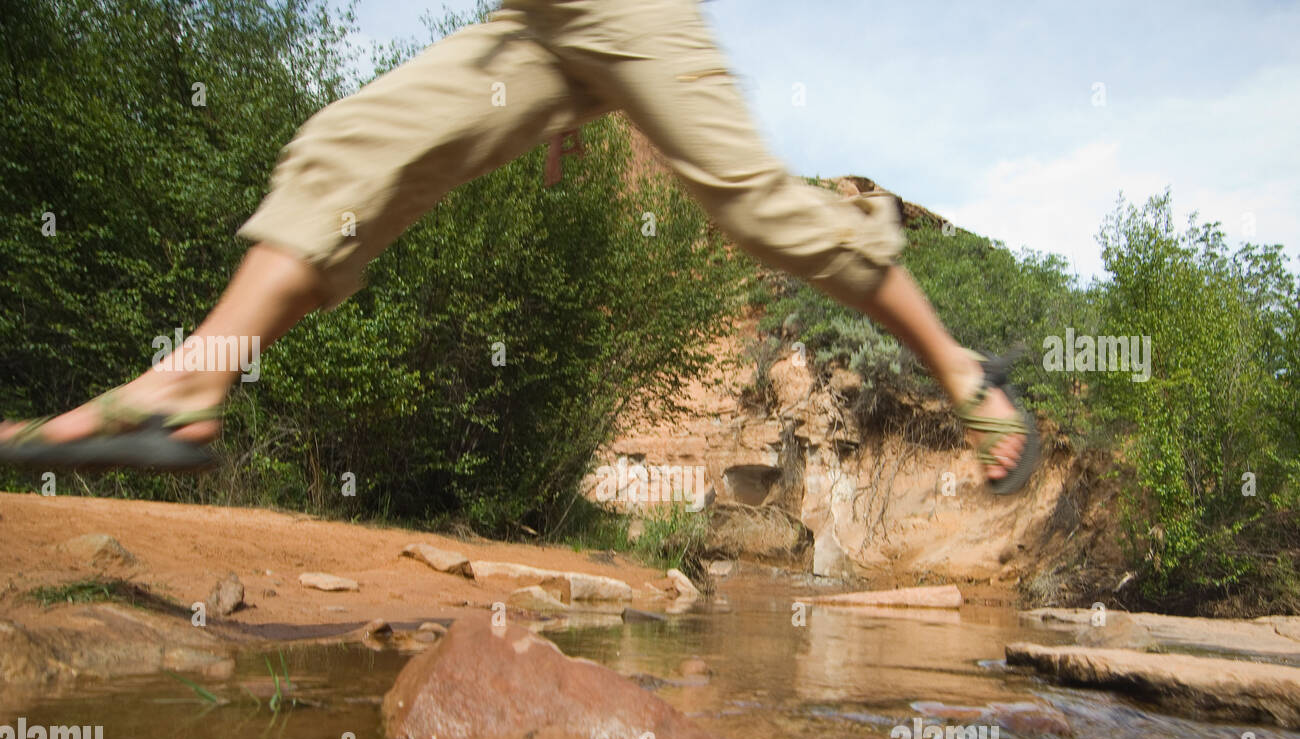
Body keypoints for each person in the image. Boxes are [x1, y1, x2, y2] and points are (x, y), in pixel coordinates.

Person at [0, 0, 1036, 492]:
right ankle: (192, 383)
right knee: (345, 147)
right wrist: (565, 112)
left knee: (755, 208)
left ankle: (961, 372)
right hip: (531, 21)